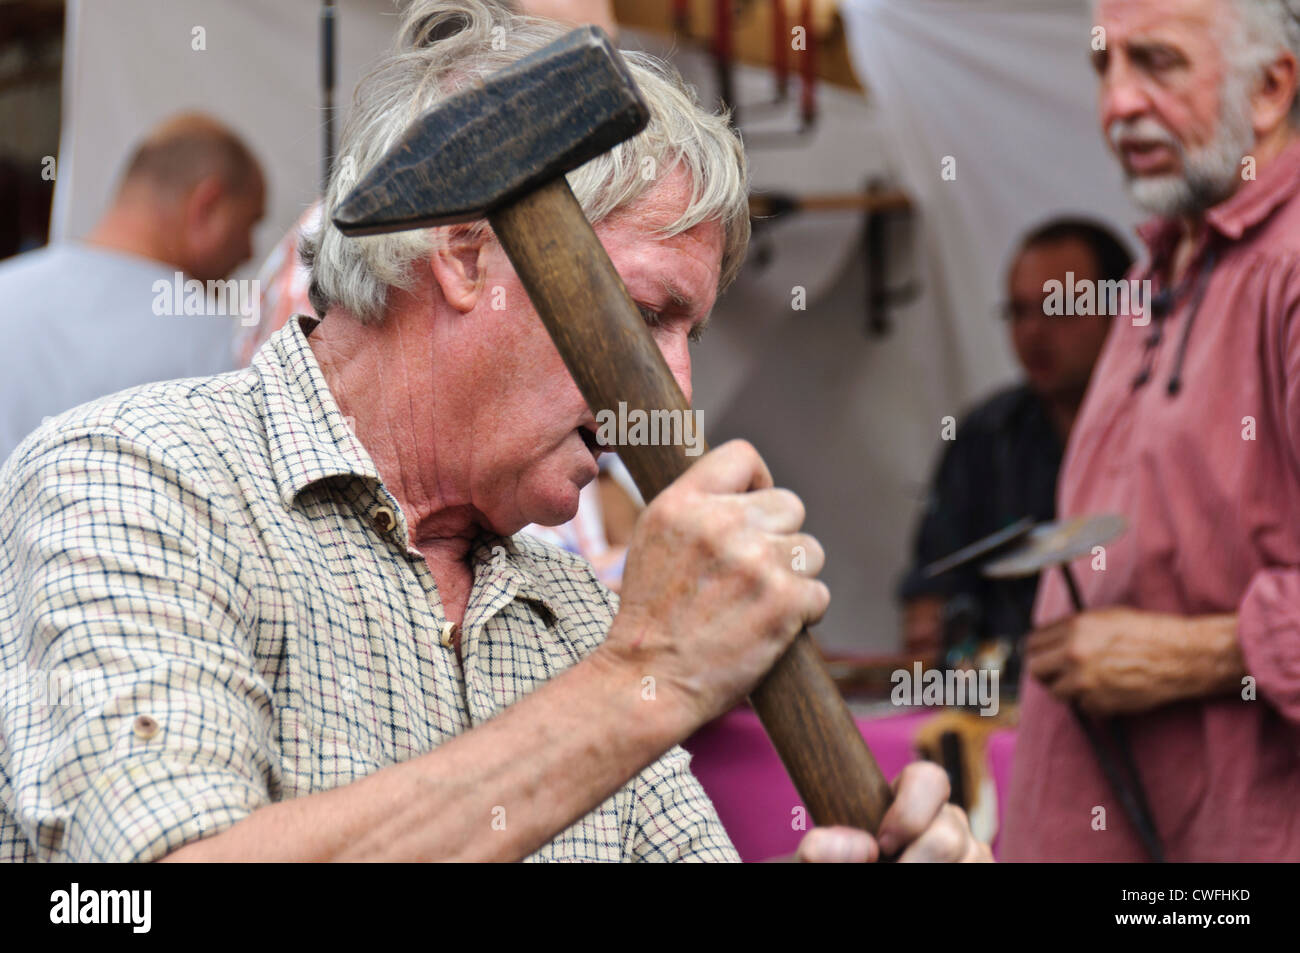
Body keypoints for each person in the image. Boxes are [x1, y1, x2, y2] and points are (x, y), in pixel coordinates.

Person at [0, 0, 988, 863]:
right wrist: (648, 675)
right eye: (648, 315)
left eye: (693, 332)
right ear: (467, 257)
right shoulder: (133, 478)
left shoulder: (572, 606)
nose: (674, 389)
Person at [1004, 0, 1300, 861]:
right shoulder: (1160, 268)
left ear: (1272, 85)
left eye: (1158, 63)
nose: (1117, 105)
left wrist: (1204, 654)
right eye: (1103, 65)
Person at [898, 220, 1132, 684]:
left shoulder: (1159, 432)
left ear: (1122, 310)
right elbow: (932, 588)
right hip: (1001, 704)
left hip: (1128, 693)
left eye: (1058, 310)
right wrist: (929, 634)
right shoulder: (988, 434)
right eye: (1019, 312)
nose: (1033, 333)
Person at [0, 112, 265, 462]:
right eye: (249, 222)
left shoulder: (7, 288)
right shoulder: (212, 335)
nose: (248, 250)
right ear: (207, 204)